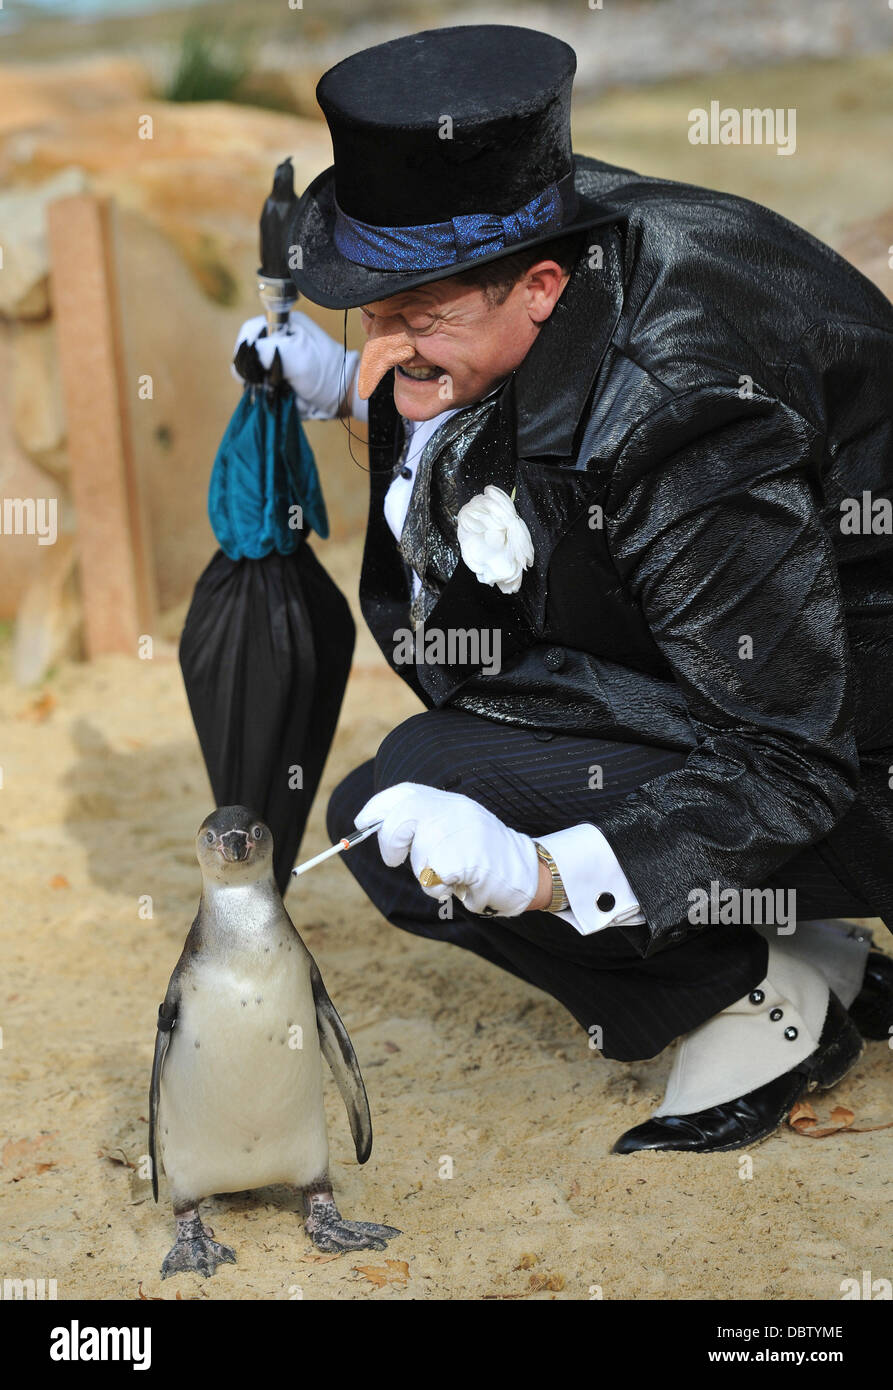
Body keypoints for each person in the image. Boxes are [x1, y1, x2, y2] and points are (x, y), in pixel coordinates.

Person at [234, 24, 893, 1152]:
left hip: (850, 736)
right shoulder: (530, 211)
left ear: (540, 285)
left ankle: (756, 995)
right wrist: (353, 387)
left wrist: (545, 874)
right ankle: (802, 950)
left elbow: (790, 750)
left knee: (413, 816)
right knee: (405, 798)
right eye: (368, 314)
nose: (387, 348)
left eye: (414, 317)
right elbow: (510, 389)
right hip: (760, 646)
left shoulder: (689, 417)